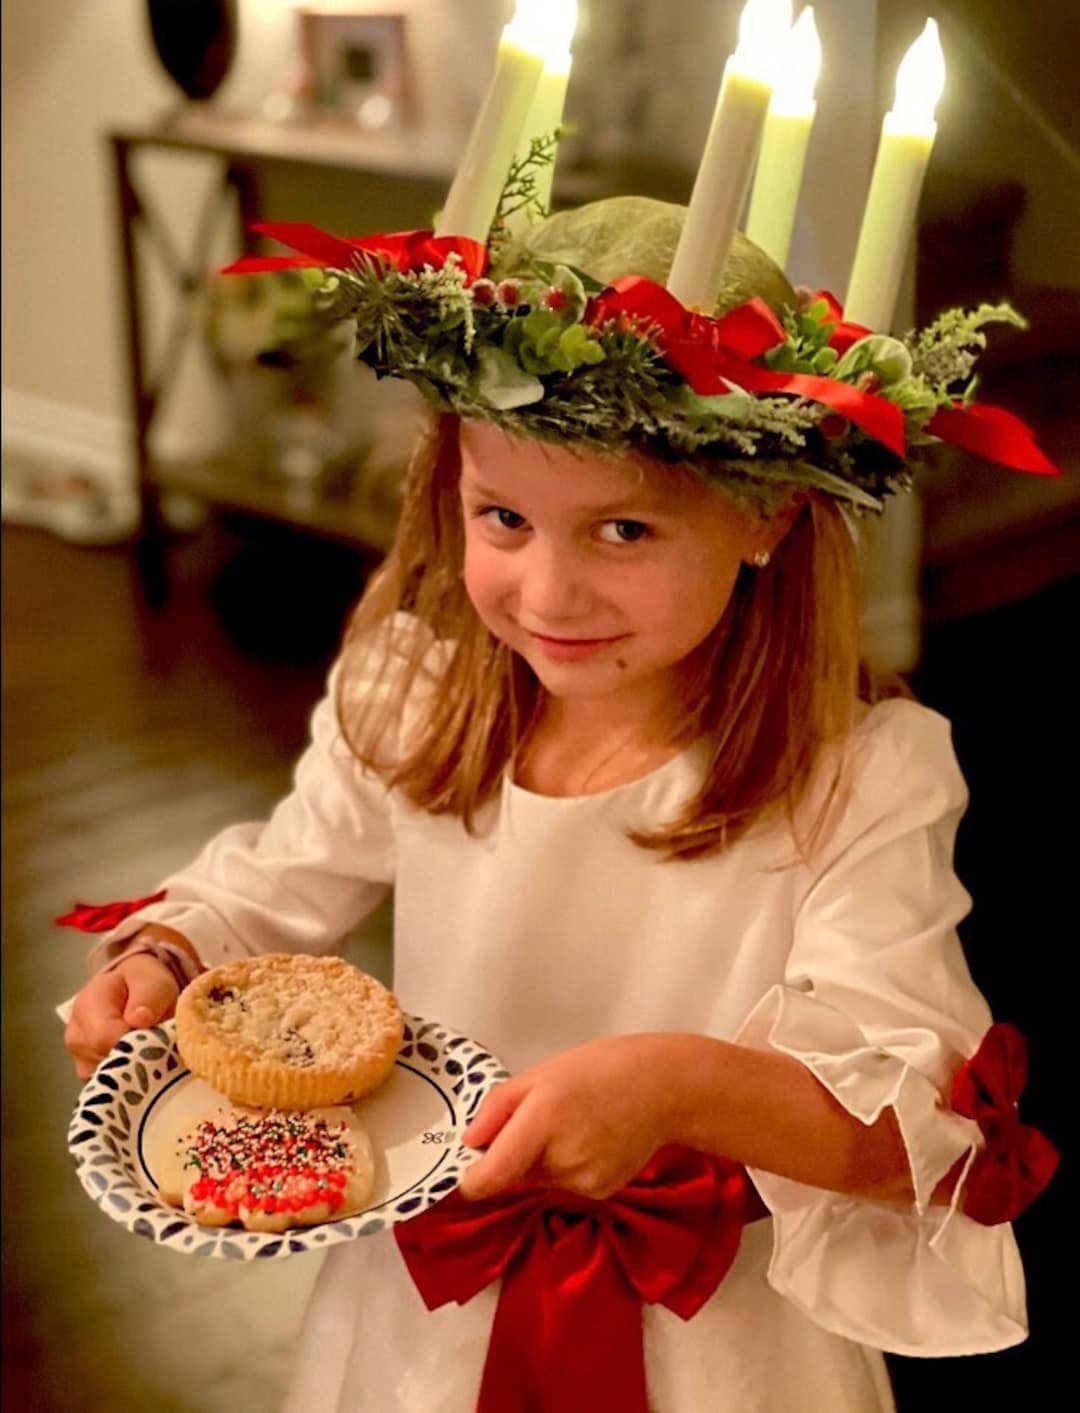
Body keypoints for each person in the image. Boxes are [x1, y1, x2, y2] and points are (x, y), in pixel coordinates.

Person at [61, 193, 1058, 1412]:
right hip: (421, 1314)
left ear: (766, 517)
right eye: (505, 518)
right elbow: (274, 885)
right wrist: (166, 955)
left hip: (722, 1347)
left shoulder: (865, 777)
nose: (548, 590)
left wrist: (677, 1086)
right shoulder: (417, 699)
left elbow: (910, 1138)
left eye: (624, 528)